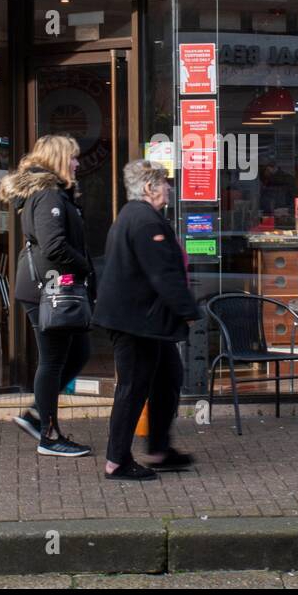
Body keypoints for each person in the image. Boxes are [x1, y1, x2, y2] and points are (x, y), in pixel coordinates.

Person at [94, 159, 200, 481]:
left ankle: (158, 449)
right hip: (136, 322)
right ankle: (116, 461)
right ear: (149, 188)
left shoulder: (135, 216)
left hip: (142, 319)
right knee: (133, 387)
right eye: (164, 183)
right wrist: (189, 312)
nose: (169, 188)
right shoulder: (145, 222)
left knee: (167, 377)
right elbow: (163, 274)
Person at [0, 134, 94, 457]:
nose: (77, 163)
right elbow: (53, 245)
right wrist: (85, 267)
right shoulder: (49, 194)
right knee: (52, 359)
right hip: (47, 289)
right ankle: (49, 435)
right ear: (58, 159)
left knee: (78, 351)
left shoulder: (52, 194)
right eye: (73, 157)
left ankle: (38, 414)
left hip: (47, 286)